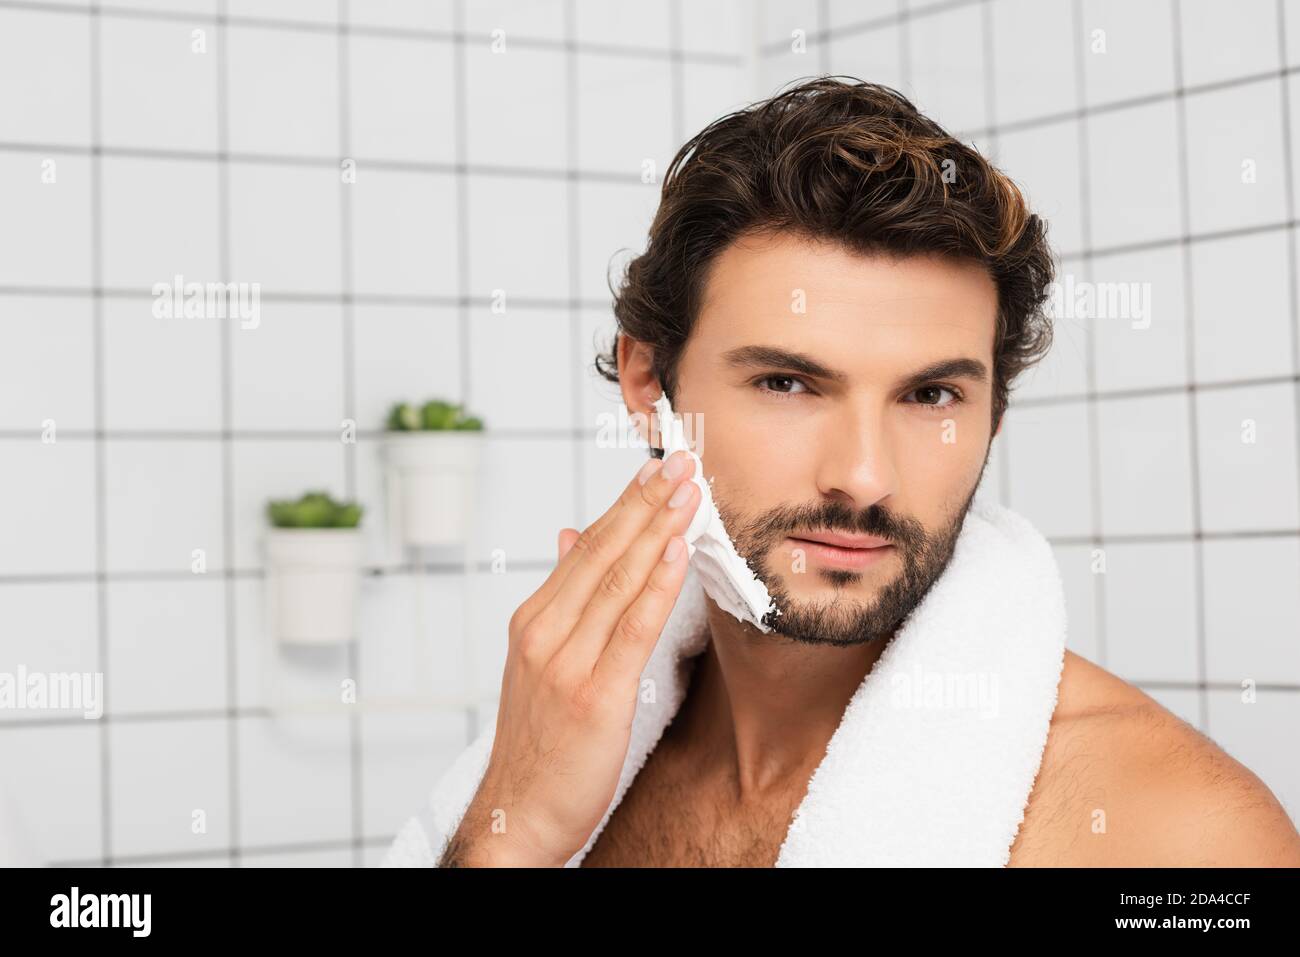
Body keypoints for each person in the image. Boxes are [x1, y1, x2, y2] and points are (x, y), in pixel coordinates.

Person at [429, 77, 1300, 867]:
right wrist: (512, 834)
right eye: (788, 382)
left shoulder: (1181, 837)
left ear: (994, 408)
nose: (864, 476)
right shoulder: (555, 765)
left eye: (929, 395)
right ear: (649, 381)